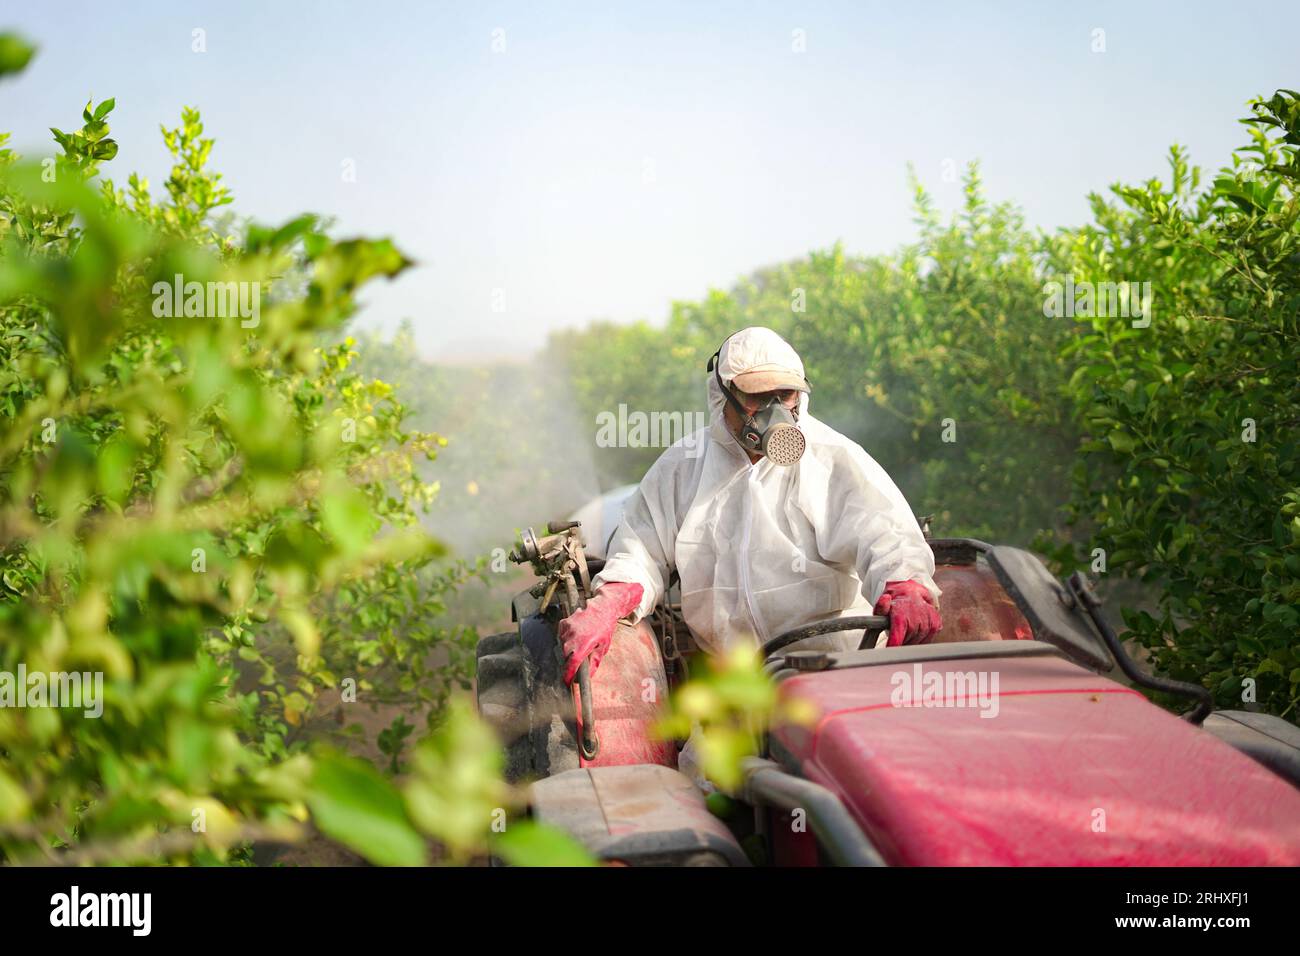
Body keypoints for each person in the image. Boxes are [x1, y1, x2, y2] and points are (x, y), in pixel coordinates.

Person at [559, 327, 941, 786]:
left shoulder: (833, 458)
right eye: (761, 398)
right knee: (712, 800)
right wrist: (610, 602)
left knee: (865, 790)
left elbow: (884, 532)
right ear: (724, 399)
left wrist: (906, 586)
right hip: (734, 693)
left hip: (833, 678)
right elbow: (641, 547)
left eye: (787, 394)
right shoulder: (684, 467)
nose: (779, 411)